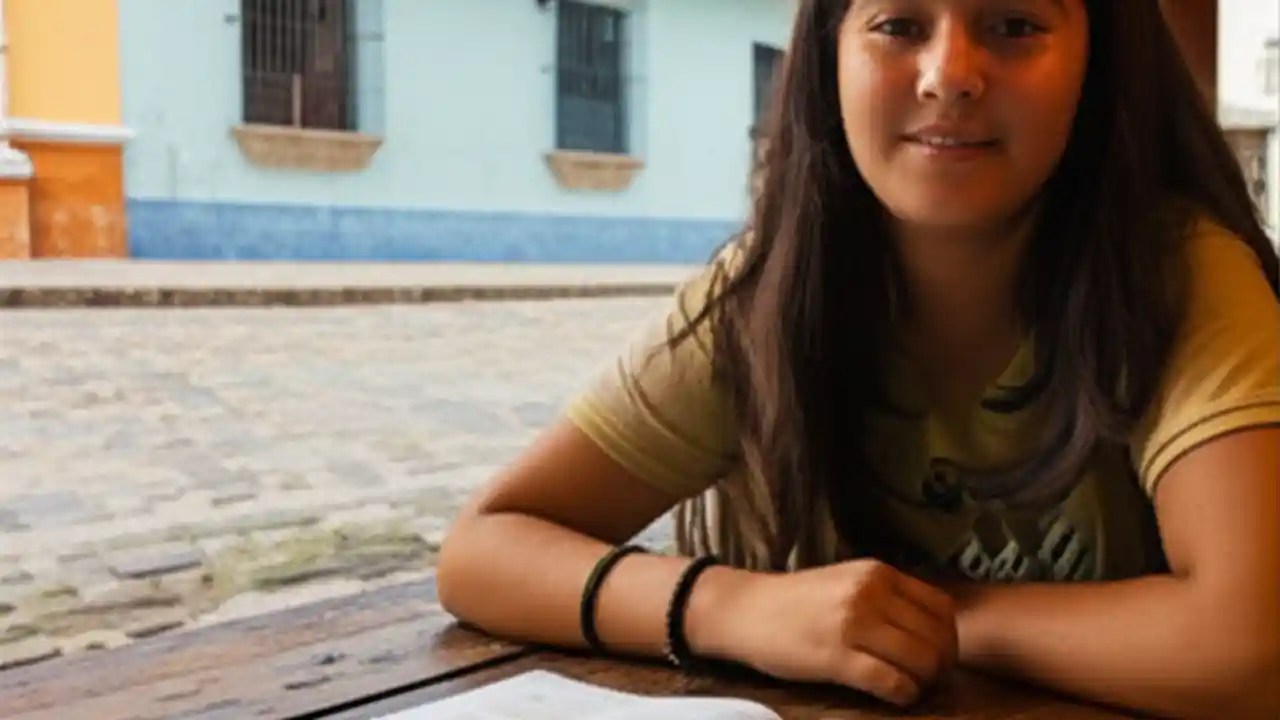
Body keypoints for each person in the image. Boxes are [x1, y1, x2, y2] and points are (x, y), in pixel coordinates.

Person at [437, 1, 1280, 717]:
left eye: (1016, 24)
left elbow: (1252, 646)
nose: (949, 73)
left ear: (1099, 68)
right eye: (899, 23)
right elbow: (484, 549)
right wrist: (737, 609)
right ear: (827, 61)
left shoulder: (1180, 279)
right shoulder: (764, 298)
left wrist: (935, 618)